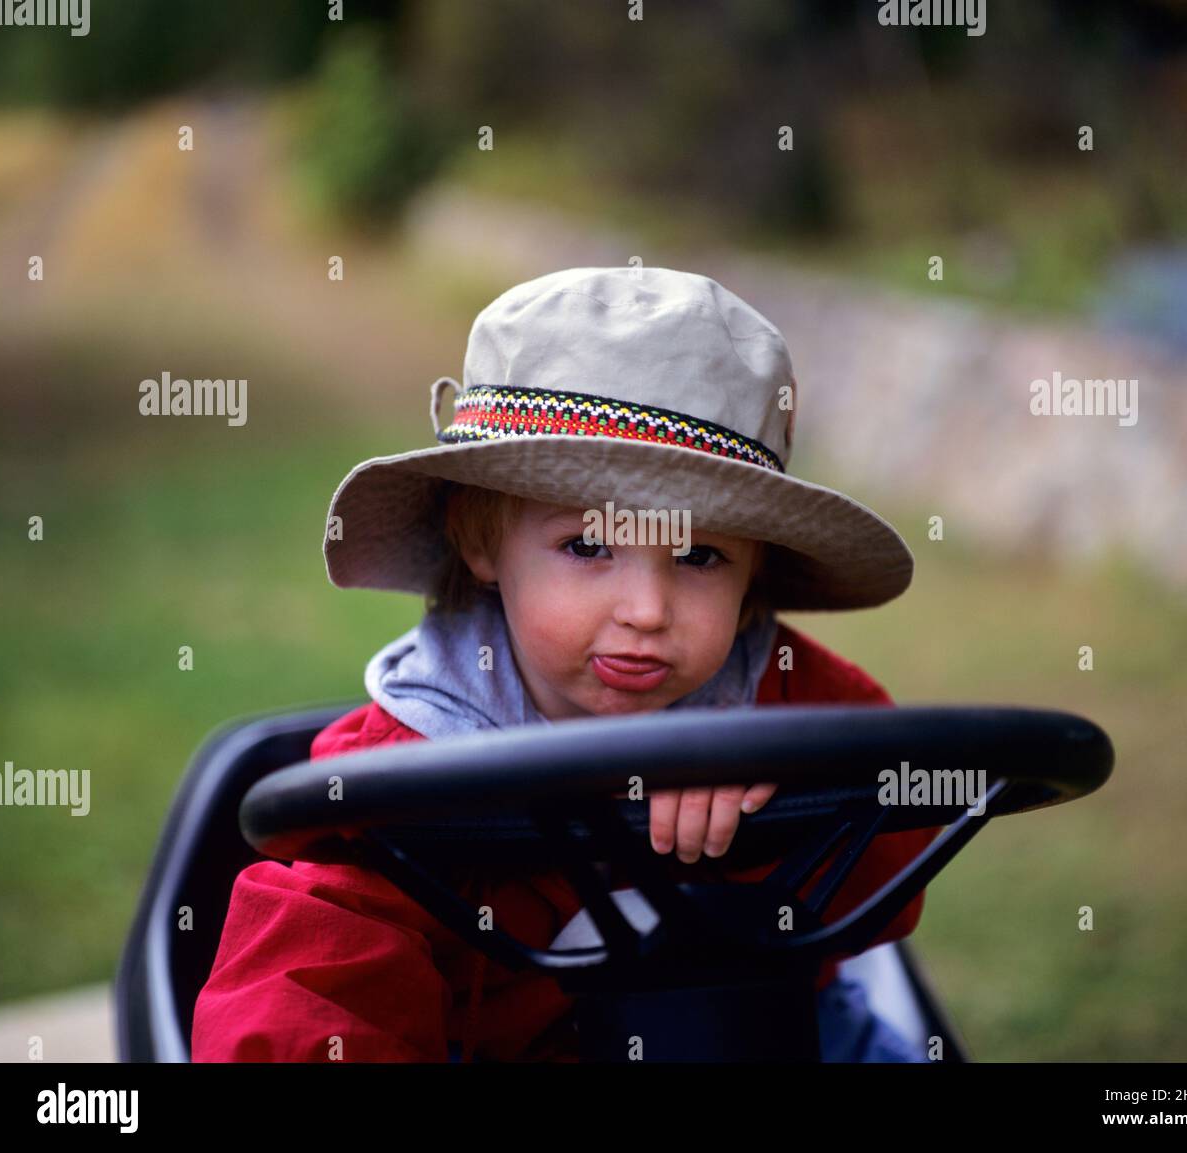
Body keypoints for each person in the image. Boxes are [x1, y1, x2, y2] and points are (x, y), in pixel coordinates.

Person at [190, 266, 939, 1063]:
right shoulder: (404, 773)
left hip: (781, 1032)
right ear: (482, 542)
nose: (647, 610)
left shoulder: (783, 692)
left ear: (756, 571)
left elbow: (902, 839)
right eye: (588, 545)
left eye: (700, 554)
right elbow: (319, 975)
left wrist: (778, 788)